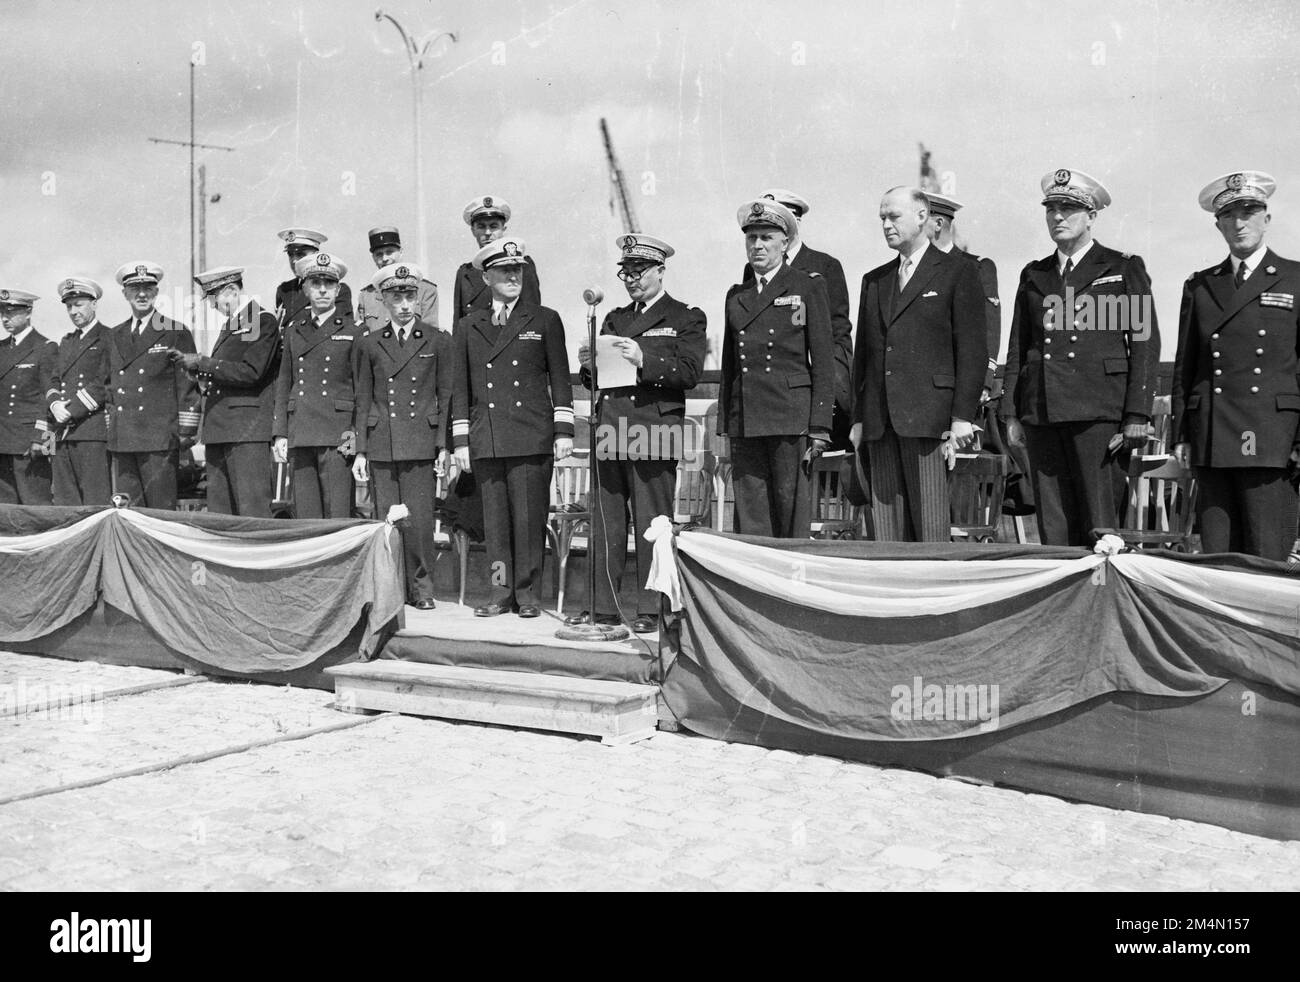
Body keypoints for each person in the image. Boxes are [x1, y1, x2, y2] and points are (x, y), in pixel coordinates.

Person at [1000, 169, 1160, 546]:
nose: (1058, 217)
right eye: (1051, 208)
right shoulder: (1034, 274)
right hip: (1042, 411)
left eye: (1069, 209)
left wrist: (1137, 413)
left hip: (1097, 413)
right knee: (1053, 525)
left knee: (1100, 521)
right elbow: (1018, 346)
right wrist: (1011, 412)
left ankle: (1102, 602)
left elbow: (1144, 343)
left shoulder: (1121, 267)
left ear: (1092, 216)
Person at [565, 234, 706, 634]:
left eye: (639, 271)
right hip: (612, 425)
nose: (631, 279)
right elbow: (598, 381)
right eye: (625, 272)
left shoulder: (686, 317)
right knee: (606, 521)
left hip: (655, 427)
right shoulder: (614, 318)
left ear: (661, 270)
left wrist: (646, 358)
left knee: (652, 519)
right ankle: (601, 607)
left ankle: (651, 607)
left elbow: (690, 373)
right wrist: (588, 365)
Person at [1172, 170, 1300, 561]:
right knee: (1218, 556)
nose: (1239, 223)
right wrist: (1181, 434)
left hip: (1273, 437)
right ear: (1218, 224)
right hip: (1213, 434)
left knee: (1266, 554)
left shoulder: (1295, 278)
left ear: (1266, 218)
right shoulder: (1200, 285)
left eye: (1249, 212)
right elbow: (1186, 365)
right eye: (1229, 215)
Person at [850, 187, 987, 541]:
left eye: (893, 216)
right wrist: (859, 419)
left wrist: (961, 420)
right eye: (882, 217)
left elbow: (971, 351)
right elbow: (863, 357)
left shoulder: (958, 272)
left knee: (931, 532)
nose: (885, 224)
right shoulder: (875, 281)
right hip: (881, 423)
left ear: (923, 217)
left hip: (931, 423)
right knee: (887, 536)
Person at [450, 237, 573, 618]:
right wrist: (460, 440)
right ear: (486, 277)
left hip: (531, 434)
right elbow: (461, 386)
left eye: (517, 270)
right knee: (496, 525)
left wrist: (564, 430)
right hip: (486, 436)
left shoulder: (544, 319)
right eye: (504, 270)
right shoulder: (470, 325)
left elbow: (560, 378)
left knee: (528, 520)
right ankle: (500, 592)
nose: (512, 276)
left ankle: (529, 595)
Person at [719, 199, 834, 538]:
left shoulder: (807, 286)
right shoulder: (735, 295)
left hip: (790, 418)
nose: (758, 245)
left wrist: (820, 427)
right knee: (751, 520)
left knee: (791, 515)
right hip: (747, 420)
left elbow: (824, 362)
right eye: (751, 238)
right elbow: (729, 367)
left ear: (785, 242)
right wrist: (727, 425)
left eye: (767, 237)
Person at [352, 263, 452, 610]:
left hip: (421, 442)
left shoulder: (437, 340)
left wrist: (442, 445)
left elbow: (445, 395)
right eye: (397, 296)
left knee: (420, 521)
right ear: (384, 299)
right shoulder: (369, 343)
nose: (405, 304)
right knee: (387, 520)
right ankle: (390, 587)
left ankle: (422, 589)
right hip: (382, 441)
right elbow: (363, 398)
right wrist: (361, 450)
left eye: (410, 295)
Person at [742, 188, 854, 450]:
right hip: (770, 391)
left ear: (795, 223)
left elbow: (838, 333)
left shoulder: (824, 266)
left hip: (811, 385)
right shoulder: (752, 269)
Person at [175, 267, 281, 516]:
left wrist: (203, 362)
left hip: (245, 431)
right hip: (221, 429)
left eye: (214, 299)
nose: (213, 307)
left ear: (232, 291)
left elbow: (251, 372)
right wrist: (198, 372)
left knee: (251, 509)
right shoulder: (234, 325)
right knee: (222, 511)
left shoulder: (261, 320)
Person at [272, 253, 363, 519]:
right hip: (301, 430)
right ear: (304, 289)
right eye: (315, 283)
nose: (322, 290)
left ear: (338, 289)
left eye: (329, 284)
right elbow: (284, 382)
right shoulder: (293, 330)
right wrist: (280, 432)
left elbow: (362, 390)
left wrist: (355, 435)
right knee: (306, 515)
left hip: (338, 433)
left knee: (338, 513)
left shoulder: (354, 331)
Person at [106, 262, 200, 509]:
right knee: (127, 511)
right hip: (124, 437)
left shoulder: (175, 331)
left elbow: (187, 386)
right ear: (125, 293)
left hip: (159, 438)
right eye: (135, 288)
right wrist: (112, 423)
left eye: (148, 288)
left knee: (160, 512)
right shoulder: (114, 335)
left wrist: (186, 432)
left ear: (157, 292)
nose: (142, 294)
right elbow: (108, 385)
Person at [925, 193, 1001, 401]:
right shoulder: (907, 272)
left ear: (938, 223)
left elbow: (990, 330)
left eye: (920, 218)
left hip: (962, 387)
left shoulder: (976, 268)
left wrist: (983, 382)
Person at [49, 277, 112, 505]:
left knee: (95, 500)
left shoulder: (109, 337)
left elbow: (104, 381)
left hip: (90, 431)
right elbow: (54, 378)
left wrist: (71, 410)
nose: (73, 311)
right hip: (61, 433)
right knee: (65, 500)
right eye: (69, 306)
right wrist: (55, 405)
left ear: (94, 304)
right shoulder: (66, 341)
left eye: (79, 304)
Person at [0, 289, 58, 504]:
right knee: (5, 512)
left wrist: (43, 441)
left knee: (36, 506)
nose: (5, 318)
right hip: (2, 440)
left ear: (28, 312)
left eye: (12, 312)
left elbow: (50, 396)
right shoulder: (1, 348)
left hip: (30, 442)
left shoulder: (46, 347)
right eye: (2, 312)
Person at [451, 197, 541, 322]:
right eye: (481, 226)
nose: (487, 232)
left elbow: (533, 314)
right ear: (473, 231)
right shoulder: (465, 273)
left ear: (503, 229)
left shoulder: (522, 265)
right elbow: (459, 325)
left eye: (493, 226)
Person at [353, 226, 438, 334]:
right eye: (379, 254)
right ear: (373, 258)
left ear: (401, 252)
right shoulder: (366, 296)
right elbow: (359, 337)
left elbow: (431, 335)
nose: (384, 259)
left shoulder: (426, 290)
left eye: (389, 252)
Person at [275, 228, 354, 326]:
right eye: (291, 254)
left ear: (316, 255)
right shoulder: (284, 290)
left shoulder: (336, 290)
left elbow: (339, 329)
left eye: (300, 254)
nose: (294, 260)